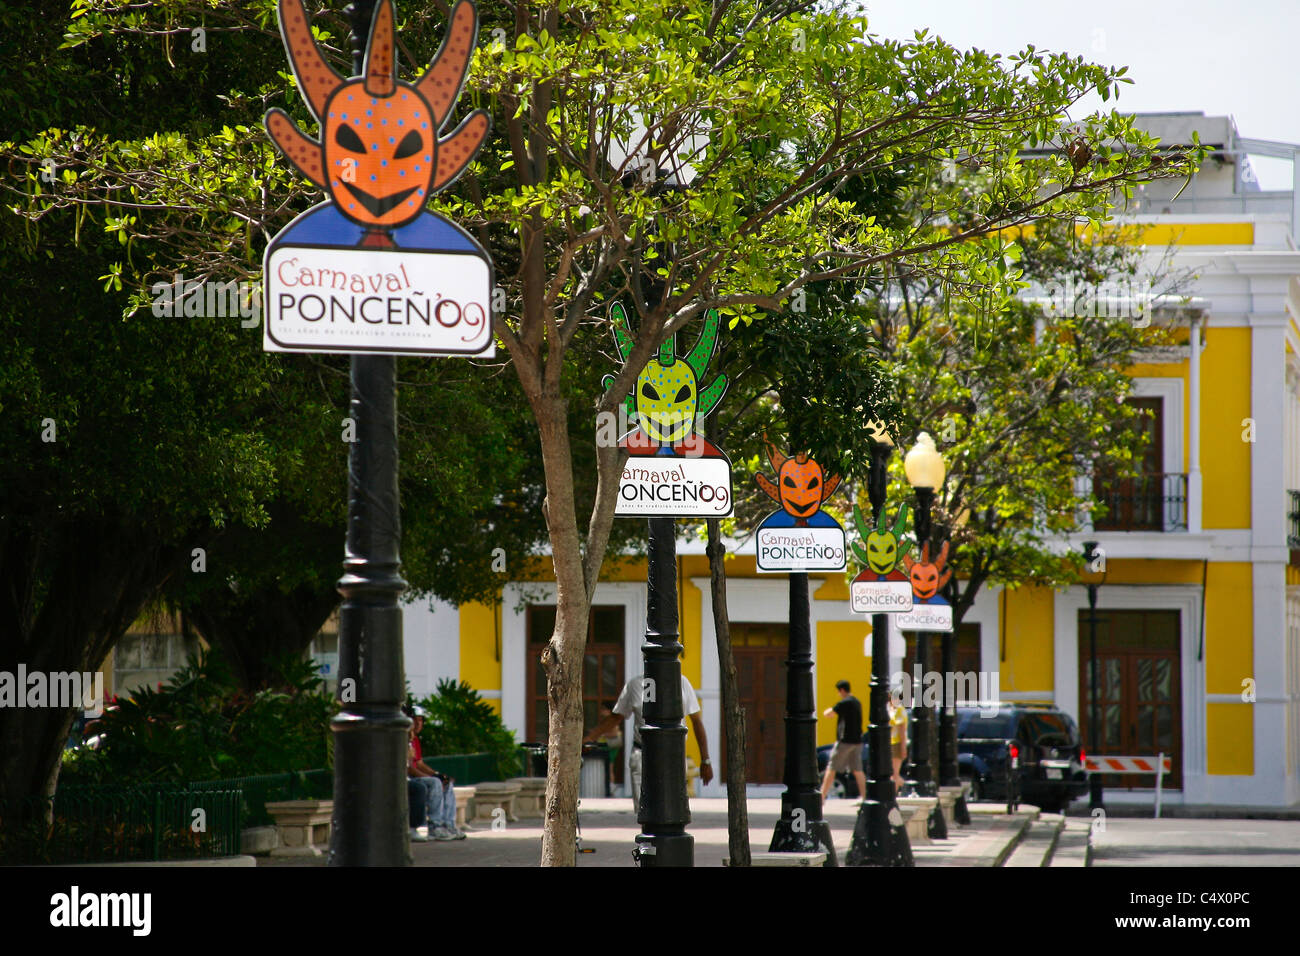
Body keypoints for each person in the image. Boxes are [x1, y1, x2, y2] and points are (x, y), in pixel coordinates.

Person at [584, 674, 713, 809]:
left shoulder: (681, 682)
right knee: (645, 811)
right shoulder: (635, 684)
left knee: (673, 810)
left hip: (673, 756)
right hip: (642, 755)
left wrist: (705, 760)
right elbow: (616, 717)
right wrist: (591, 737)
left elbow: (696, 722)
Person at [406, 706, 466, 842]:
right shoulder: (406, 739)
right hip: (411, 778)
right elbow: (409, 768)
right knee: (435, 782)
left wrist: (437, 774)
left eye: (421, 720)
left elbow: (420, 764)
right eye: (416, 720)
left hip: (417, 776)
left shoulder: (415, 740)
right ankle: (435, 827)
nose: (418, 724)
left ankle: (448, 825)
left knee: (446, 781)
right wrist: (431, 778)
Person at [821, 679, 866, 800]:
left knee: (831, 768)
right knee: (858, 770)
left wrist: (825, 711)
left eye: (839, 692)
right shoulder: (857, 702)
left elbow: (829, 713)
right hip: (857, 742)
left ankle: (822, 796)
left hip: (845, 741)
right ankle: (865, 796)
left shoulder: (844, 703)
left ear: (841, 690)